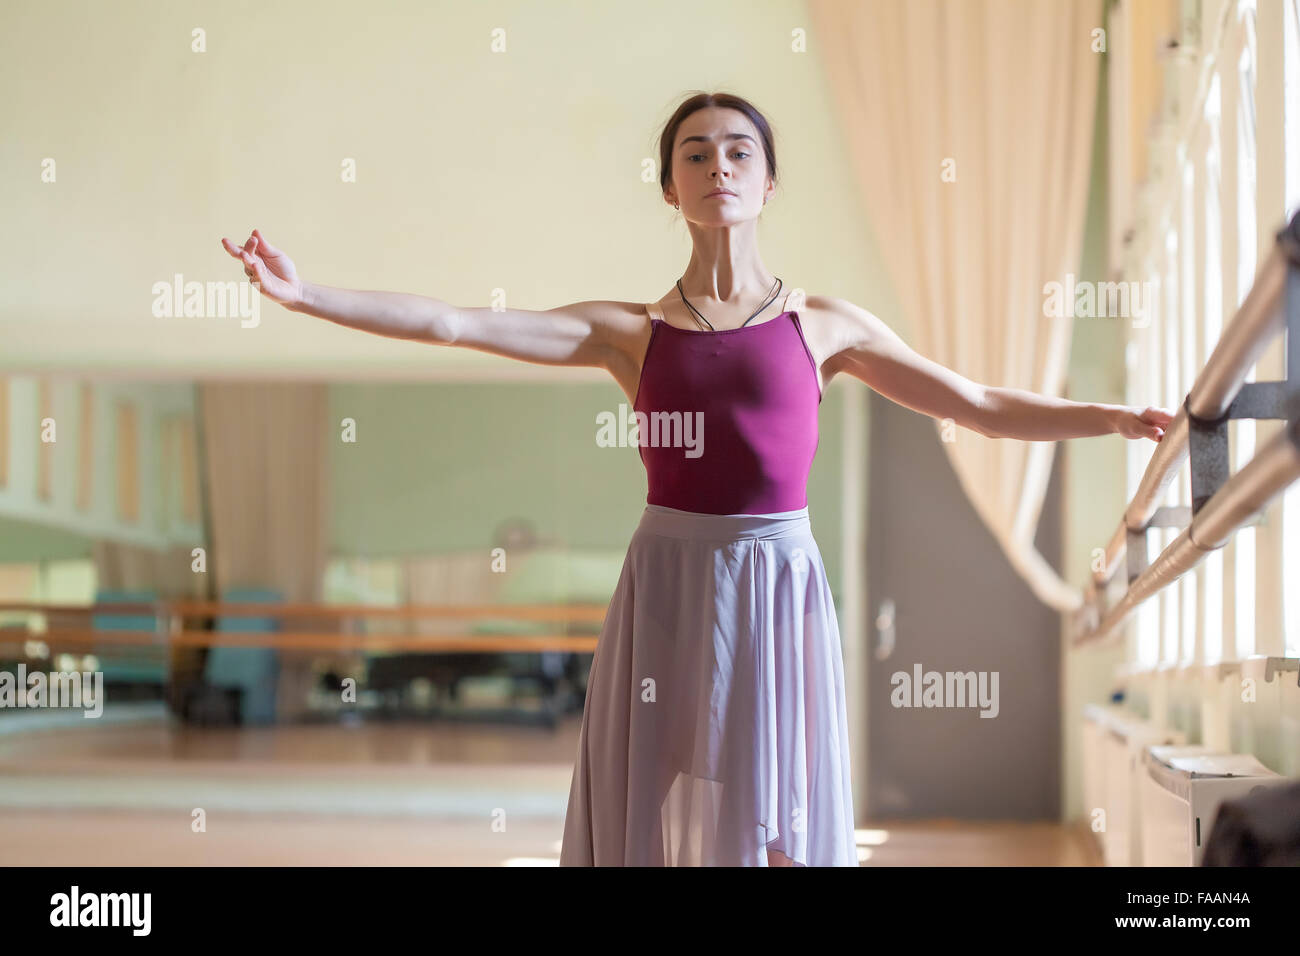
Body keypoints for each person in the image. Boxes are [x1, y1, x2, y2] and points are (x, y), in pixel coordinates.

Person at [221, 91, 1173, 867]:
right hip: (669, 583)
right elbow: (455, 324)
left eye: (737, 152)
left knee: (781, 815)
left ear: (767, 181)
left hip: (778, 582)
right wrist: (308, 297)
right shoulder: (631, 333)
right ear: (669, 188)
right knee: (658, 794)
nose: (718, 167)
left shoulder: (825, 326)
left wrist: (1113, 419)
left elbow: (972, 402)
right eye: (694, 155)